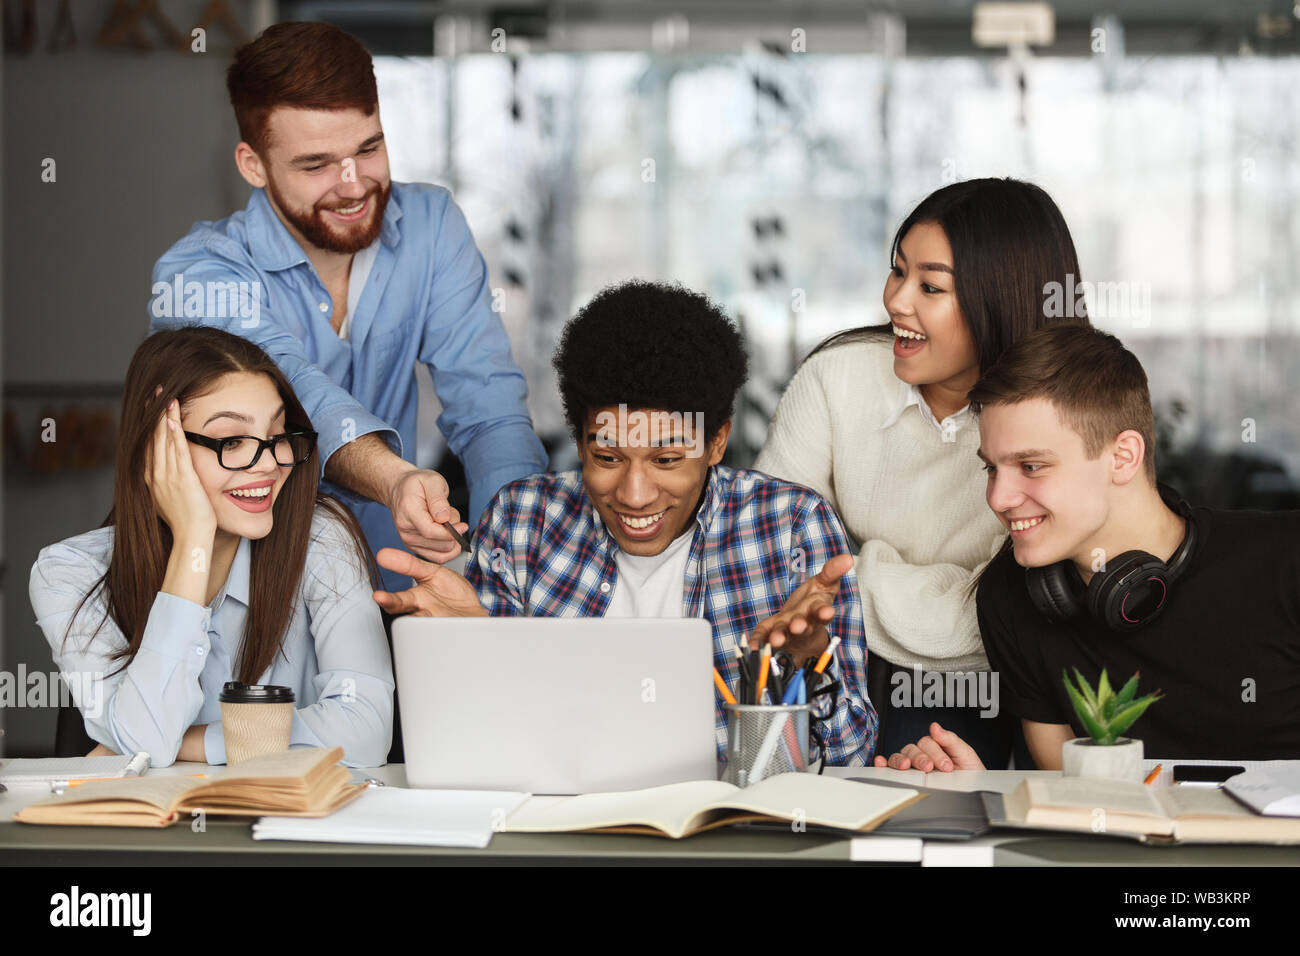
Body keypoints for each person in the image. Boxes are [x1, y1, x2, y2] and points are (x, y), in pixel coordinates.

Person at [373, 281, 878, 763]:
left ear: (716, 443)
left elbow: (849, 756)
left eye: (666, 460)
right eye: (609, 459)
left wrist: (810, 665)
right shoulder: (521, 522)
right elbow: (480, 743)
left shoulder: (791, 526)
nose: (635, 496)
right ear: (579, 442)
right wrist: (472, 649)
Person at [150, 21, 547, 593]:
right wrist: (394, 480)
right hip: (239, 595)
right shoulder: (198, 273)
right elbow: (295, 389)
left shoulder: (431, 228)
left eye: (369, 148)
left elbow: (487, 407)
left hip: (386, 583)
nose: (353, 184)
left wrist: (519, 573)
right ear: (253, 164)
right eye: (315, 165)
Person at [754, 178, 1089, 768]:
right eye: (897, 271)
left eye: (931, 286)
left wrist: (853, 575)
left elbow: (1001, 611)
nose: (896, 301)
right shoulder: (837, 378)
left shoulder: (1062, 415)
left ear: (999, 301)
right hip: (853, 655)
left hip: (1007, 663)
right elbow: (771, 563)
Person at [875, 325, 1300, 771]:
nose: (999, 499)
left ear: (1122, 458)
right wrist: (981, 788)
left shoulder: (1285, 560)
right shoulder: (1010, 597)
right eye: (991, 469)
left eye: (1031, 466)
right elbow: (1070, 795)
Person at [30, 327, 393, 768]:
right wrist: (193, 540)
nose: (269, 464)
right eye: (232, 442)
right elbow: (147, 737)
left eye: (278, 434)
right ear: (158, 445)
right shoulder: (69, 572)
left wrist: (188, 744)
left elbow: (367, 729)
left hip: (293, 829)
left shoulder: (323, 537)